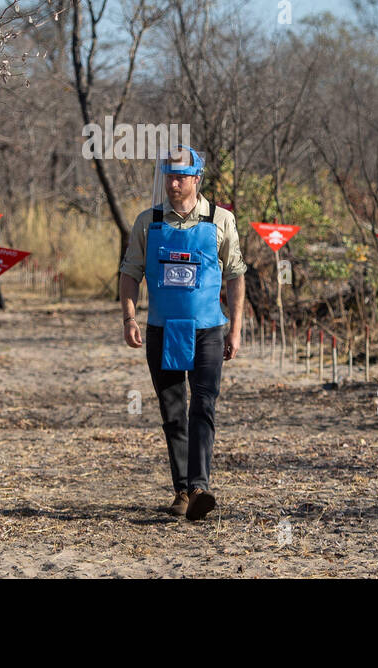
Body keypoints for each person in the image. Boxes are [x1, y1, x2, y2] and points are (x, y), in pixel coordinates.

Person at [119, 145, 246, 521]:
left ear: (196, 178)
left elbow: (236, 274)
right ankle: (181, 491)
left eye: (181, 176)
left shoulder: (221, 219)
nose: (174, 183)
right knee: (173, 412)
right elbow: (129, 273)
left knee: (203, 407)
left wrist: (235, 329)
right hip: (162, 331)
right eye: (169, 176)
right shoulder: (148, 222)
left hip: (208, 330)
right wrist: (129, 318)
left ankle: (200, 486)